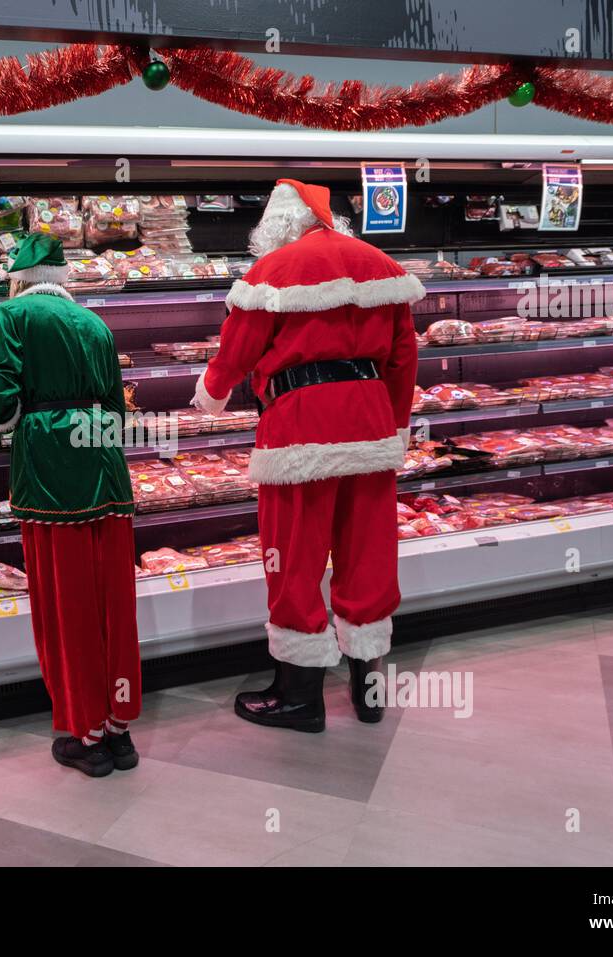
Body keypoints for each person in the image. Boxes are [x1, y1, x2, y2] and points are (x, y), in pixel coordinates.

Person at [191, 179, 422, 731]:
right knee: (367, 550)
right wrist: (393, 423)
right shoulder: (380, 264)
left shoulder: (273, 271)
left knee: (293, 554)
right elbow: (403, 356)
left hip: (300, 423)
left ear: (277, 225)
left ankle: (300, 696)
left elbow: (238, 347)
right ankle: (369, 689)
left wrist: (213, 395)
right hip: (367, 421)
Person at [0, 232, 141, 777]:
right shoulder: (95, 322)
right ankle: (118, 729)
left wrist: (0, 421)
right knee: (111, 598)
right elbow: (118, 408)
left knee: (65, 598)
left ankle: (84, 733)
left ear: (20, 278)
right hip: (102, 456)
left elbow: (0, 402)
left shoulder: (11, 316)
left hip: (50, 460)